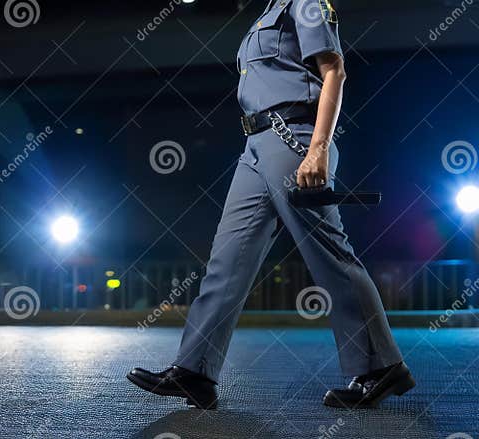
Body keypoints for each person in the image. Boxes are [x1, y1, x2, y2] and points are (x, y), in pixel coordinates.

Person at [127, 0, 415, 410]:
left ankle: (379, 366)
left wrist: (318, 150)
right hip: (255, 145)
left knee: (330, 256)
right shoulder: (266, 12)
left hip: (293, 138)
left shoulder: (307, 2)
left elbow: (334, 70)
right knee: (227, 261)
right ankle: (196, 370)